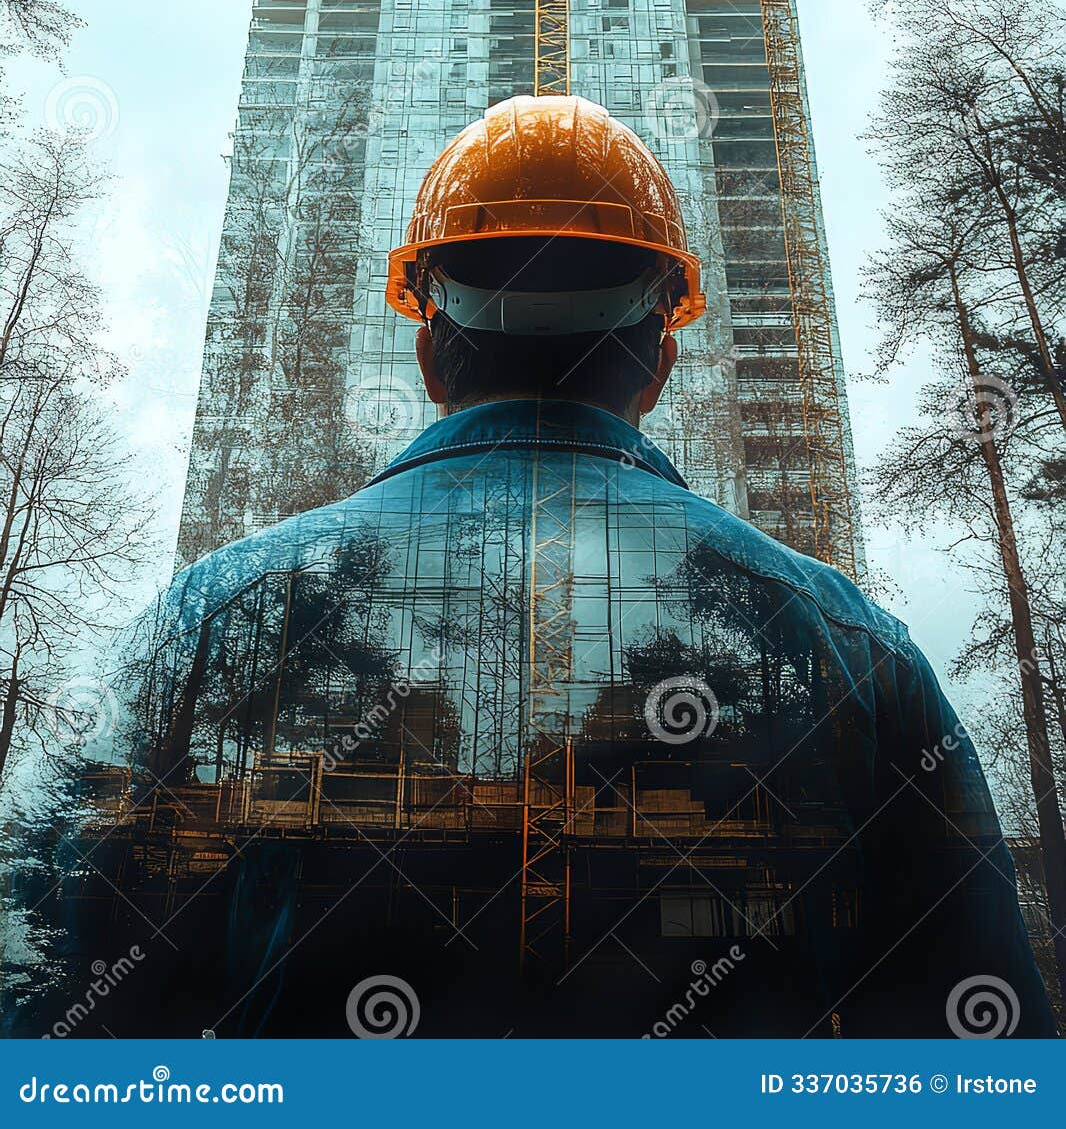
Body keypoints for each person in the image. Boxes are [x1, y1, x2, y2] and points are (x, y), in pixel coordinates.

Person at [23, 96, 1056, 1039]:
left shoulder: (205, 623)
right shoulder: (850, 649)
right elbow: (983, 1068)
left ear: (431, 357)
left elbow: (39, 1001)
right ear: (660, 356)